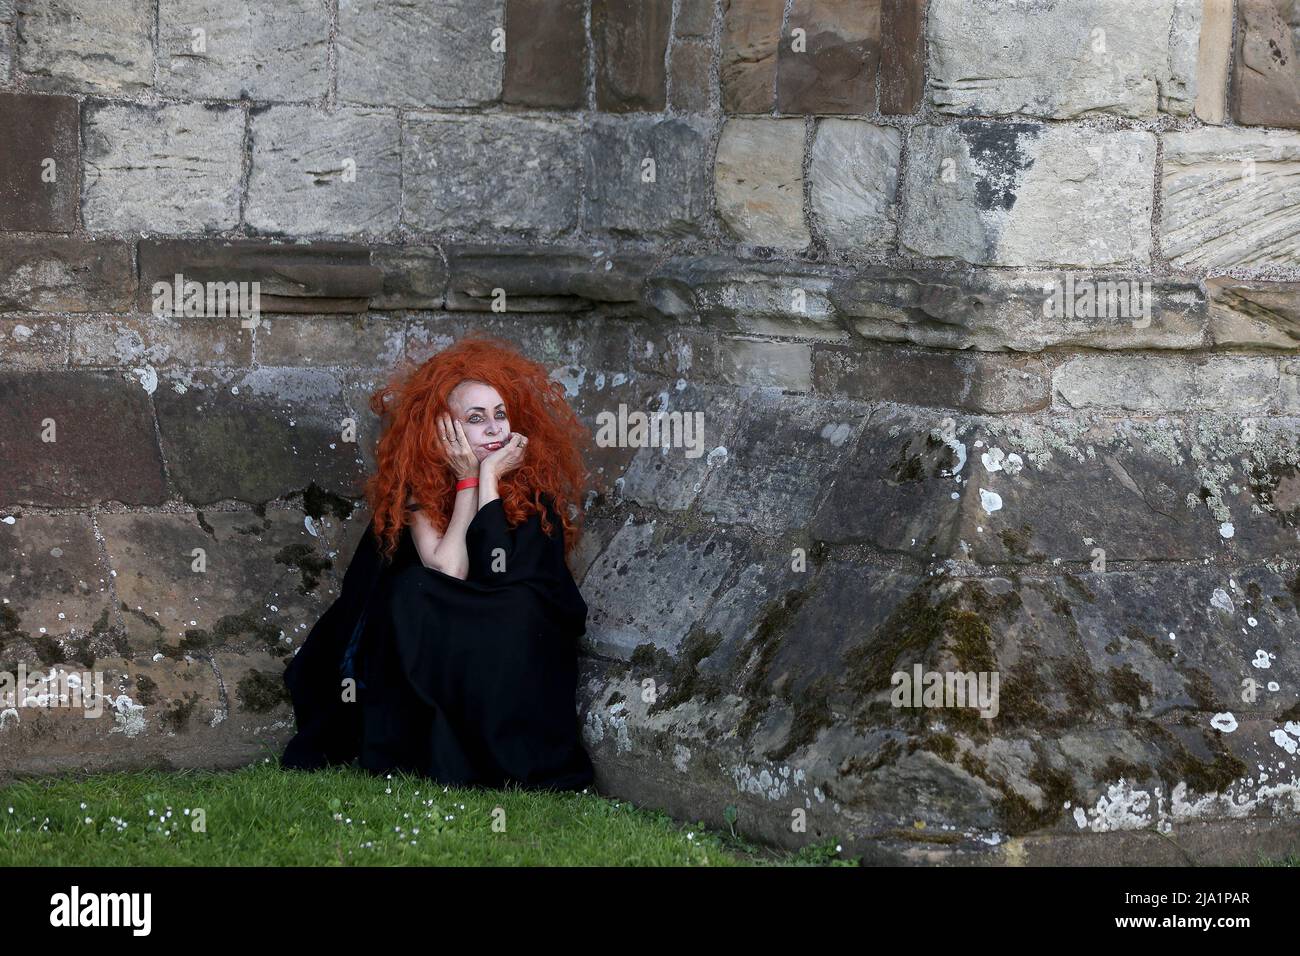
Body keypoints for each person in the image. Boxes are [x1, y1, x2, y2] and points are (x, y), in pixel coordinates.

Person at [280, 335, 595, 792]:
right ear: (444, 431)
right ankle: (434, 750)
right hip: (448, 625)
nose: (494, 429)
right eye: (475, 418)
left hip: (515, 629)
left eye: (500, 415)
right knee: (413, 589)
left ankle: (508, 754)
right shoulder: (419, 490)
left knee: (517, 609)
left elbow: (501, 573)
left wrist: (490, 479)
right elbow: (448, 572)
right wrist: (471, 481)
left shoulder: (532, 491)